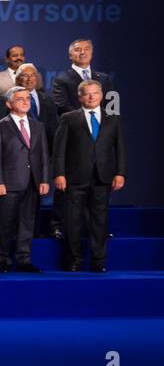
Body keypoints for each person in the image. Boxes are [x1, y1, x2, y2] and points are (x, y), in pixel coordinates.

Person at [53, 80, 125, 272]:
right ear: (80, 97)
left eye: (95, 93)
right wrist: (59, 173)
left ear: (101, 95)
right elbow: (59, 150)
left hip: (103, 178)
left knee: (100, 222)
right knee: (73, 221)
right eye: (87, 94)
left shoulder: (112, 118)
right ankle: (74, 260)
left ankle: (98, 261)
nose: (91, 97)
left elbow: (120, 149)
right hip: (75, 178)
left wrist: (120, 173)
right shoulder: (69, 118)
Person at [0, 86, 50, 273]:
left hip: (32, 182)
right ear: (8, 104)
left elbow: (44, 156)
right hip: (8, 183)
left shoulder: (38, 126)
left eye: (27, 99)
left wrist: (45, 179)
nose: (25, 102)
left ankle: (24, 260)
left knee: (27, 223)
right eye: (20, 99)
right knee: (5, 223)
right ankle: (3, 260)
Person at [50, 38, 114, 115]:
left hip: (102, 125)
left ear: (91, 53)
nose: (83, 52)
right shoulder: (61, 79)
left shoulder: (104, 78)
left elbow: (111, 105)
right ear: (70, 55)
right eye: (78, 50)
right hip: (76, 125)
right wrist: (87, 119)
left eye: (87, 49)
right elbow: (62, 107)